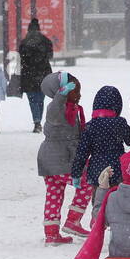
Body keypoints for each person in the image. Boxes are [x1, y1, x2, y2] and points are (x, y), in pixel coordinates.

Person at [37, 72, 91, 244]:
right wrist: (62, 95)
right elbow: (55, 109)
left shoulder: (69, 109)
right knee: (88, 182)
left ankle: (52, 233)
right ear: (61, 91)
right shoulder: (56, 108)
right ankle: (73, 220)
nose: (79, 94)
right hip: (61, 159)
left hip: (51, 160)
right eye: (76, 90)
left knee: (54, 194)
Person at [70, 85, 130, 210]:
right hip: (118, 169)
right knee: (118, 204)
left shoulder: (89, 127)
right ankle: (117, 224)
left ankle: (97, 224)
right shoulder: (119, 123)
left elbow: (82, 153)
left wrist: (76, 174)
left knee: (99, 204)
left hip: (97, 171)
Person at [17, 17, 54, 134]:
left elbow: (21, 59)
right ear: (38, 28)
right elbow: (50, 56)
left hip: (28, 76)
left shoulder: (24, 42)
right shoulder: (46, 41)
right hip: (43, 75)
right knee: (40, 100)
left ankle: (36, 121)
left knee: (32, 100)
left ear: (29, 29)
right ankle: (38, 121)